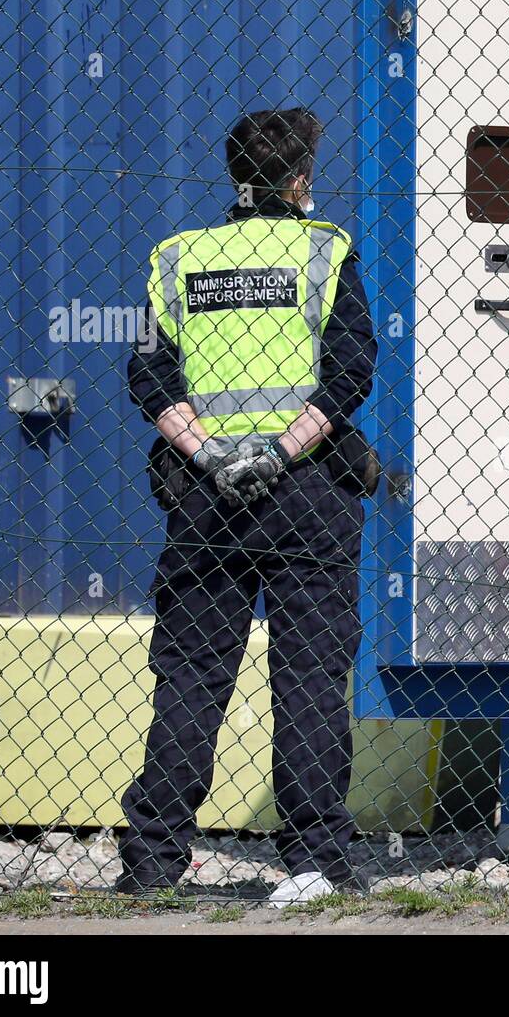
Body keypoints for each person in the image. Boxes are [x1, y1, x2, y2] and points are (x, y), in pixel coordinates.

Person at [119, 107, 376, 906]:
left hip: (206, 497)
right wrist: (279, 449)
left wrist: (210, 454)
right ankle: (316, 862)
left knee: (193, 676)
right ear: (300, 177)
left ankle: (155, 863)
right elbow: (350, 369)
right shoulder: (323, 249)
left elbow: (149, 378)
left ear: (236, 176)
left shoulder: (176, 257)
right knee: (307, 675)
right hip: (305, 495)